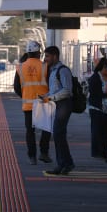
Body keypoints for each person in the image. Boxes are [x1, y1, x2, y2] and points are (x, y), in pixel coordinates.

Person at [13, 40, 52, 165]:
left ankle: (32, 157)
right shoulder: (45, 67)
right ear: (38, 53)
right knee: (46, 129)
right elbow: (51, 84)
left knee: (30, 132)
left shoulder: (20, 67)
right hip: (44, 103)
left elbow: (16, 87)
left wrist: (25, 95)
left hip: (28, 104)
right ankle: (44, 153)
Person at [41, 46, 75, 175]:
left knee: (58, 134)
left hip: (64, 105)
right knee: (58, 135)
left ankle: (64, 164)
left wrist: (51, 97)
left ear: (55, 56)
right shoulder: (53, 71)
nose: (45, 59)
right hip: (57, 105)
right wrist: (44, 97)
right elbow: (54, 90)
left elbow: (67, 90)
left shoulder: (63, 70)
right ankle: (65, 163)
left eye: (47, 56)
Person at [87, 57, 107, 159]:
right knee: (97, 131)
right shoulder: (95, 78)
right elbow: (95, 93)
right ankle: (97, 152)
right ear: (103, 67)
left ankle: (104, 150)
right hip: (96, 108)